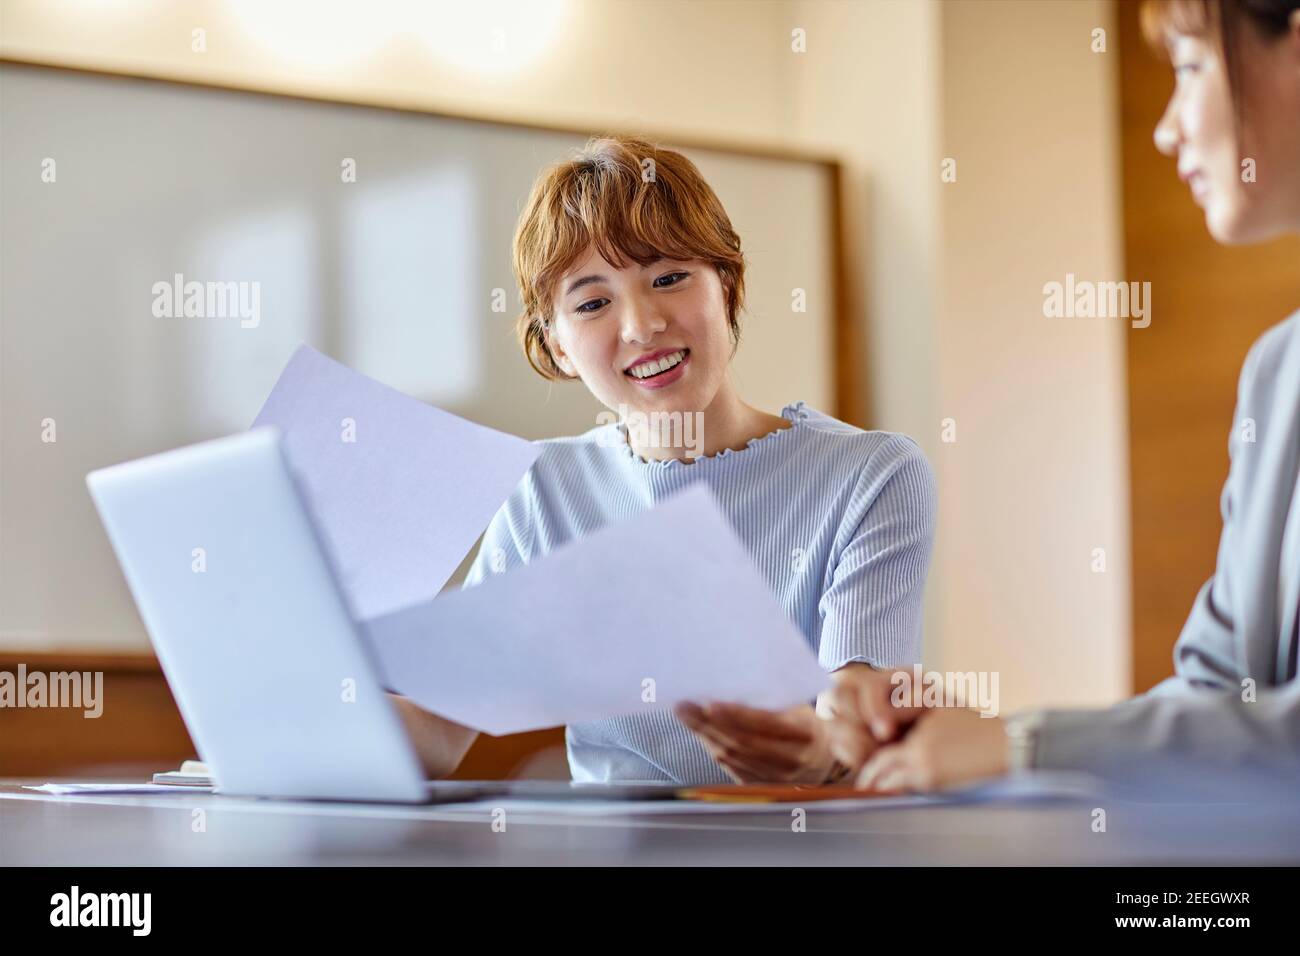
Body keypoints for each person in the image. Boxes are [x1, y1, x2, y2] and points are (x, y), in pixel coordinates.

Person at [823, 0, 1300, 794]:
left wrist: (1030, 745)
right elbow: (1218, 694)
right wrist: (972, 735)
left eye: (1189, 68)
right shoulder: (1275, 372)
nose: (1167, 130)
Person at [390, 135, 936, 784]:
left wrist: (820, 753)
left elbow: (858, 722)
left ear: (726, 286)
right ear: (558, 346)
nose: (642, 325)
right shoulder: (545, 488)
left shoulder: (870, 476)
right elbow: (439, 729)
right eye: (593, 303)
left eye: (670, 278)